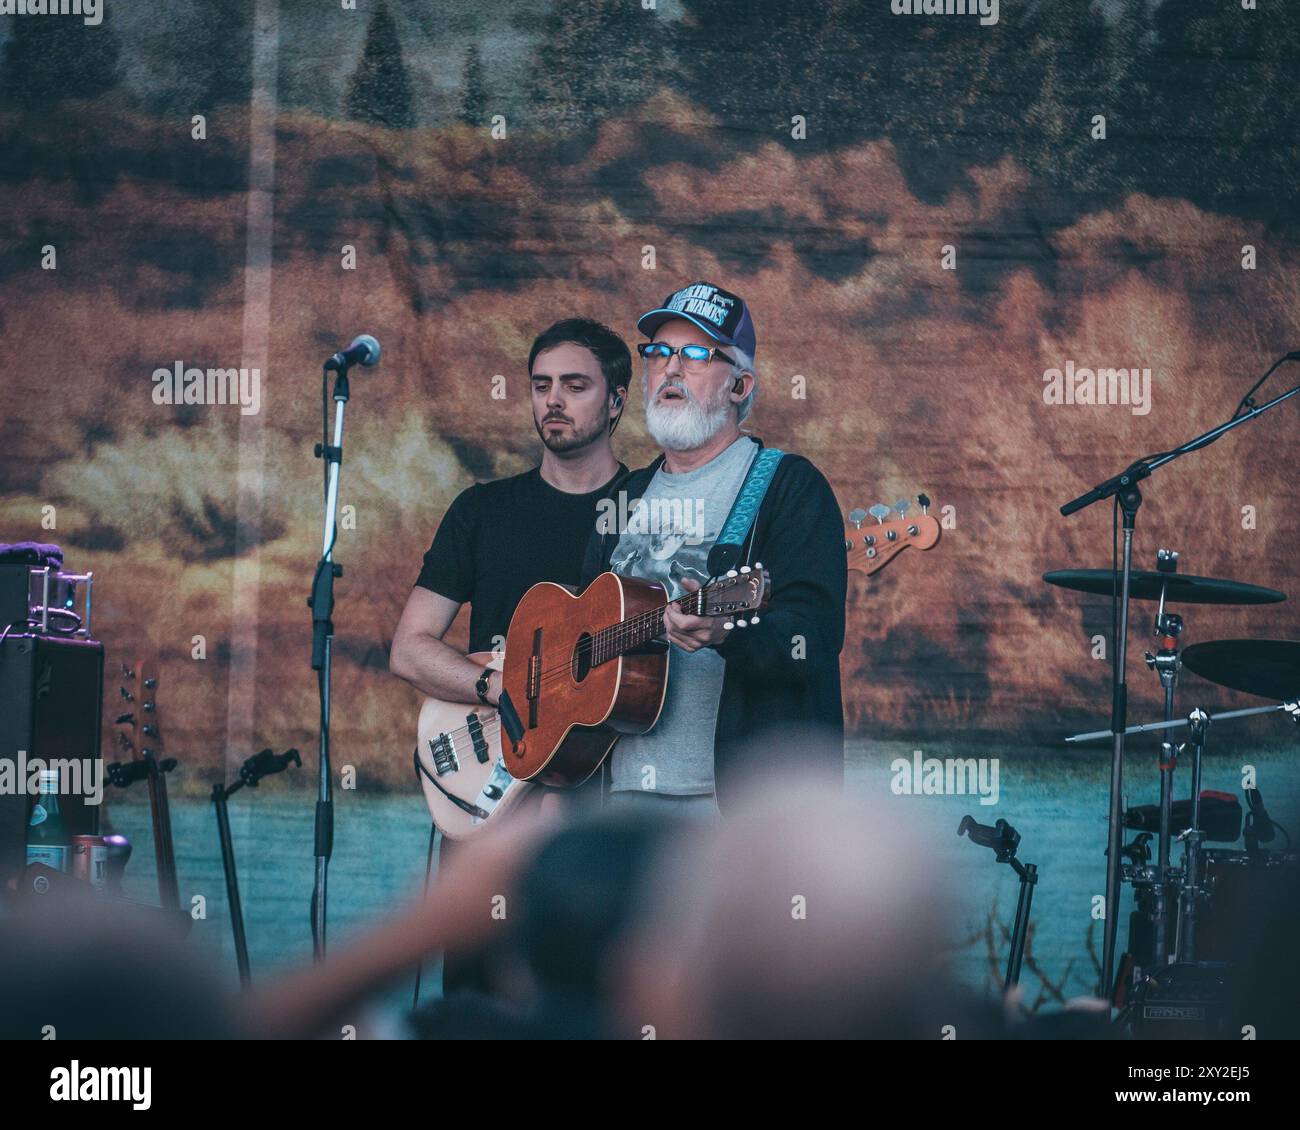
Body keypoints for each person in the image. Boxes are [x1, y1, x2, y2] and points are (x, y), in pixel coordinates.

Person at [389, 316, 631, 991]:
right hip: (492, 789)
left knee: (585, 995)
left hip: (605, 804)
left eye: (575, 386)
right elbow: (409, 649)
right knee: (474, 991)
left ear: (616, 401)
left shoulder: (650, 509)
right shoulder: (482, 511)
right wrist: (497, 691)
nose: (552, 399)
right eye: (541, 385)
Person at [582, 281, 847, 817]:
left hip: (736, 813)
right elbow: (580, 629)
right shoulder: (624, 494)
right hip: (617, 801)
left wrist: (728, 632)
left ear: (740, 385)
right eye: (658, 352)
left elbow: (812, 638)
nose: (671, 369)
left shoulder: (787, 486)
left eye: (697, 354)